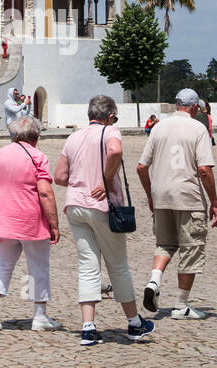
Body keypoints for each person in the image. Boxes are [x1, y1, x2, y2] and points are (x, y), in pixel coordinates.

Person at [53, 93, 155, 345]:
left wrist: (80, 180)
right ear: (109, 116)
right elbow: (115, 150)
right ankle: (134, 323)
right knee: (117, 264)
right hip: (102, 206)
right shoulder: (110, 132)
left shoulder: (73, 137)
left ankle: (88, 327)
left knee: (88, 266)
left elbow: (59, 176)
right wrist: (105, 179)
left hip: (75, 206)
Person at [138, 88, 217, 320]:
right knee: (191, 247)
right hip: (187, 197)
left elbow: (142, 167)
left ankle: (154, 281)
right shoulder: (197, 128)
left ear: (176, 104)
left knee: (165, 244)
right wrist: (214, 201)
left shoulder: (158, 127)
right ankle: (181, 305)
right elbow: (204, 169)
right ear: (194, 107)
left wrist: (150, 195)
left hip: (161, 196)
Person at [0, 114, 62, 333]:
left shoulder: (0, 154)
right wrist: (54, 224)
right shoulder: (38, 157)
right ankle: (39, 316)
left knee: (1, 265)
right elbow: (44, 192)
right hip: (30, 221)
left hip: (3, 220)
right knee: (37, 267)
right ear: (36, 136)